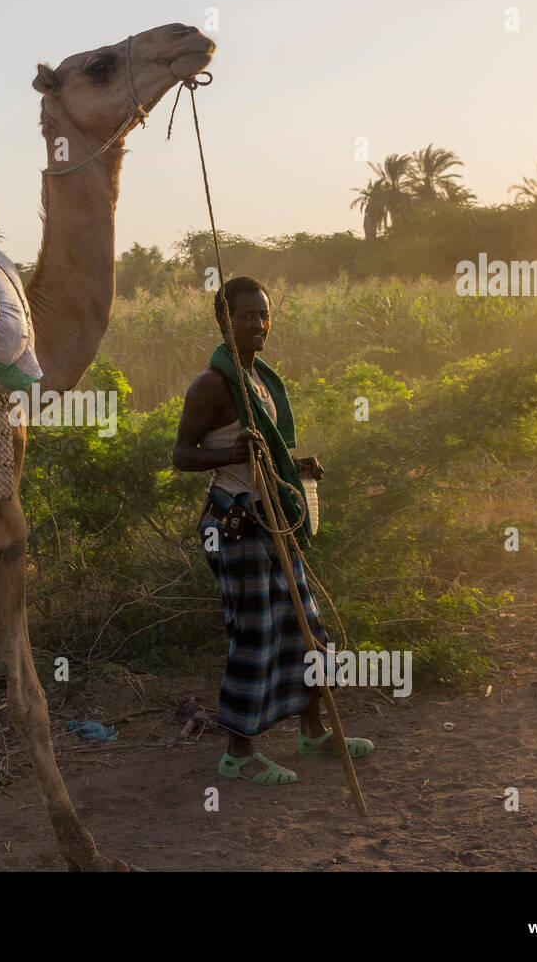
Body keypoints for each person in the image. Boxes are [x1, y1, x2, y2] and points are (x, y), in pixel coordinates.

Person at [172, 276, 374, 784]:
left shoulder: (258, 378)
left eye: (264, 314)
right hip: (236, 525)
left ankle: (313, 732)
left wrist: (296, 464)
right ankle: (237, 756)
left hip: (273, 519)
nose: (259, 324)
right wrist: (228, 454)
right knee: (255, 636)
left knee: (306, 627)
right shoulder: (213, 384)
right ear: (225, 321)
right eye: (246, 316)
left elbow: (269, 450)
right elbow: (181, 455)